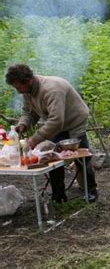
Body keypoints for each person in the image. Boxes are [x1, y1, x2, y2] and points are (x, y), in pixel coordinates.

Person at [5, 64, 98, 203]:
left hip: (75, 120)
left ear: (28, 80)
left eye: (18, 87)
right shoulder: (27, 91)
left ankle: (90, 190)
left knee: (81, 156)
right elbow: (29, 112)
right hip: (58, 123)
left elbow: (56, 121)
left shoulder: (51, 89)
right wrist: (22, 125)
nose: (18, 91)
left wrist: (33, 140)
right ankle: (58, 195)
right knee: (51, 157)